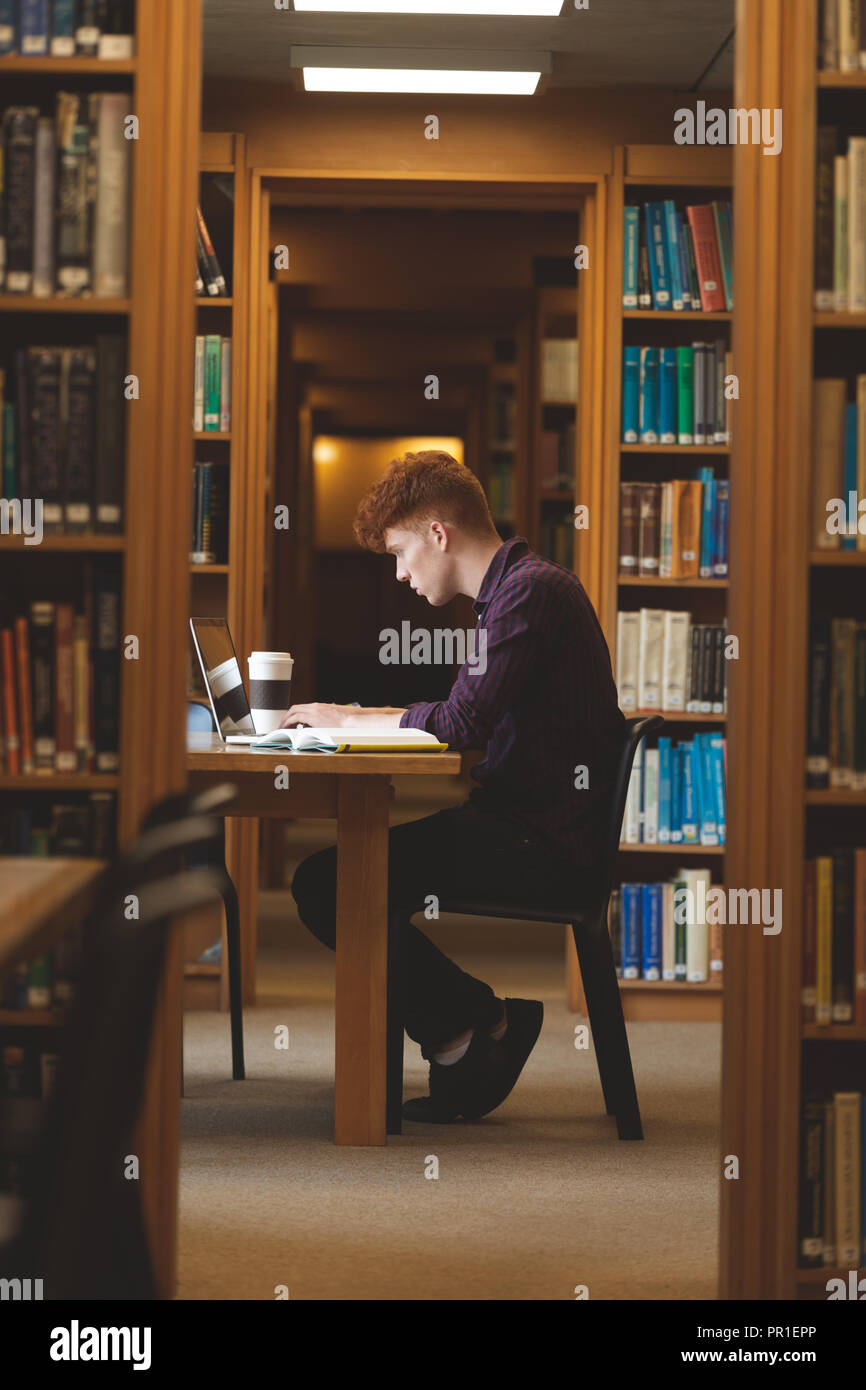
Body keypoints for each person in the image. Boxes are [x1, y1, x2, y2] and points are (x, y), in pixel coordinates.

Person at [286, 450, 625, 1123]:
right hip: (523, 825)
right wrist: (356, 716)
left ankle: (469, 1028)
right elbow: (455, 712)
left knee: (330, 883)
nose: (401, 573)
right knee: (340, 878)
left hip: (541, 844)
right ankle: (475, 1027)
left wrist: (352, 719)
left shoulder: (530, 594)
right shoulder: (516, 592)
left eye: (402, 552)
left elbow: (462, 722)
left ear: (438, 534)